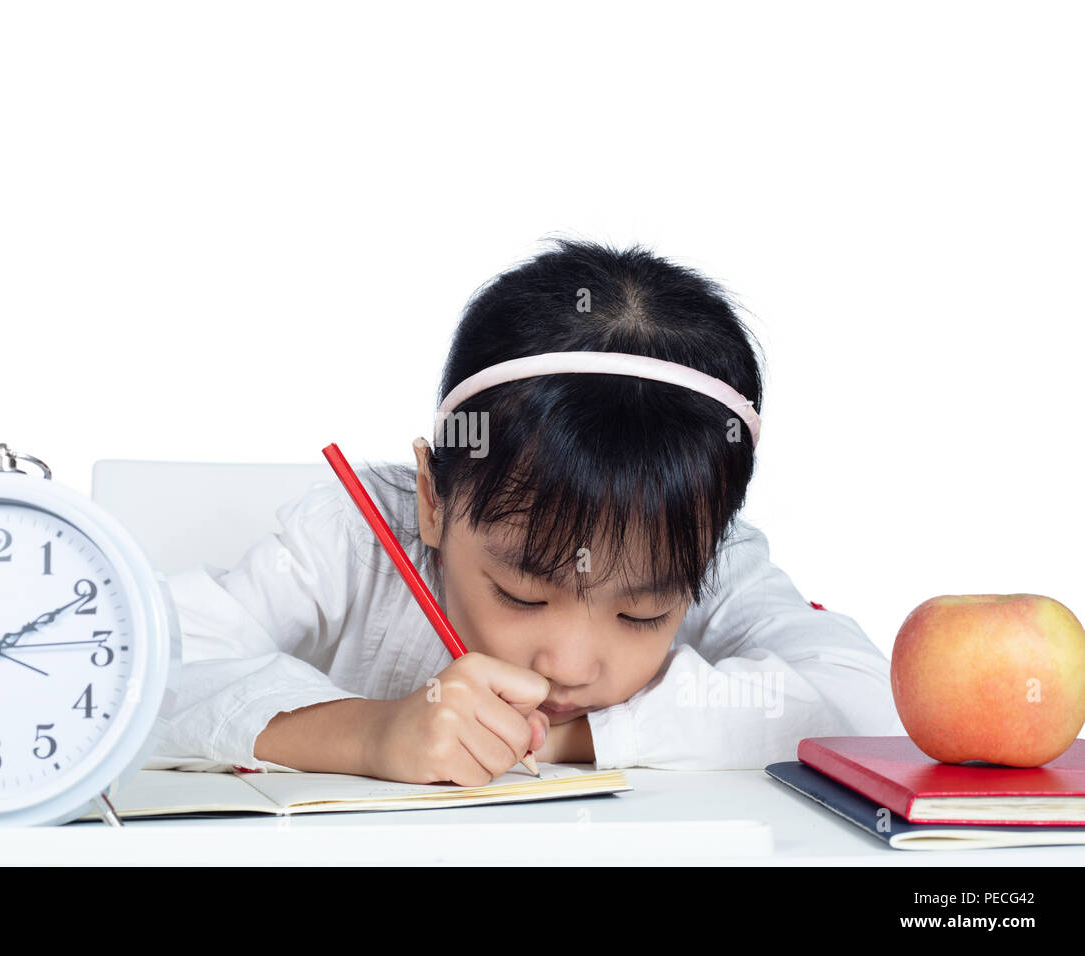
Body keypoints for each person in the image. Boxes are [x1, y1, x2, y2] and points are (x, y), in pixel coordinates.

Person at [145, 238, 903, 783]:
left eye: (641, 614)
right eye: (521, 592)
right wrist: (372, 735)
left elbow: (864, 704)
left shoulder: (706, 553)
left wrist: (575, 741)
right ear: (435, 498)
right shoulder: (350, 537)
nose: (568, 668)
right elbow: (147, 673)